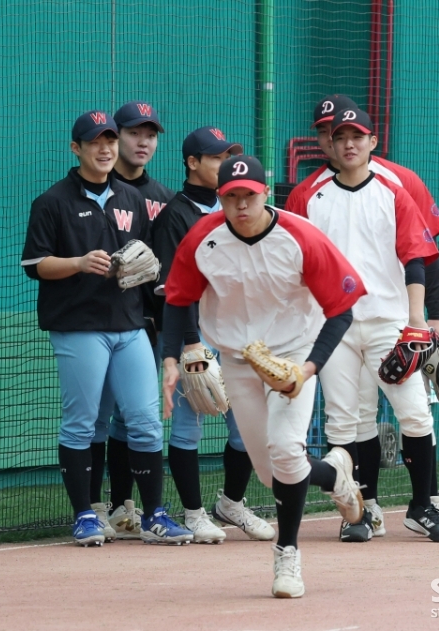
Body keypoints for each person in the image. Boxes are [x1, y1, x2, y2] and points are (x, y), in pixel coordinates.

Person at [161, 154, 367, 597]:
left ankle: (286, 555)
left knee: (287, 451)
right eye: (230, 197)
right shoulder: (203, 237)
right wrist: (175, 357)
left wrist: (307, 369)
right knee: (273, 474)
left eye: (248, 196)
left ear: (264, 194)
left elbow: (342, 311)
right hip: (237, 360)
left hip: (294, 354)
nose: (239, 205)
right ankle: (334, 476)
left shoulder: (301, 237)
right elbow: (178, 298)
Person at [289, 93, 439, 540]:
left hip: (389, 323)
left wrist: (418, 321)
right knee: (346, 420)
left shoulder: (395, 189)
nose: (349, 144)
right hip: (334, 327)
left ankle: (423, 506)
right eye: (340, 136)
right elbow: (293, 261)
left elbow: (417, 257)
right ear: (329, 143)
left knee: (414, 414)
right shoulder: (306, 195)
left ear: (372, 140)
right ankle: (364, 510)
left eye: (358, 136)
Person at [20, 110, 191, 546]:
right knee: (82, 423)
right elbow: (35, 265)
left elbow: (149, 261)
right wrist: (78, 263)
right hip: (80, 327)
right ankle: (85, 514)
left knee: (146, 422)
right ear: (76, 148)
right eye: (95, 142)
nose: (105, 148)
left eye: (110, 141)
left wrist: (152, 271)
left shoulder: (130, 200)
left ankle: (154, 513)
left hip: (130, 324)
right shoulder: (53, 201)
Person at [150, 126, 276, 543]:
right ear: (192, 162)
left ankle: (231, 504)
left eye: (229, 157)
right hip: (196, 337)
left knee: (246, 431)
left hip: (238, 338)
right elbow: (173, 289)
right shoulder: (176, 216)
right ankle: (192, 513)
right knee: (188, 428)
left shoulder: (234, 216)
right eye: (217, 158)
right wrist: (189, 343)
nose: (225, 165)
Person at [91, 100, 175, 540]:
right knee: (101, 414)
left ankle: (126, 504)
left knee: (136, 417)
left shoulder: (162, 197)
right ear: (114, 138)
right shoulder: (101, 192)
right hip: (105, 319)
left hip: (152, 320)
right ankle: (100, 502)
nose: (143, 141)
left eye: (151, 134)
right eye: (133, 133)